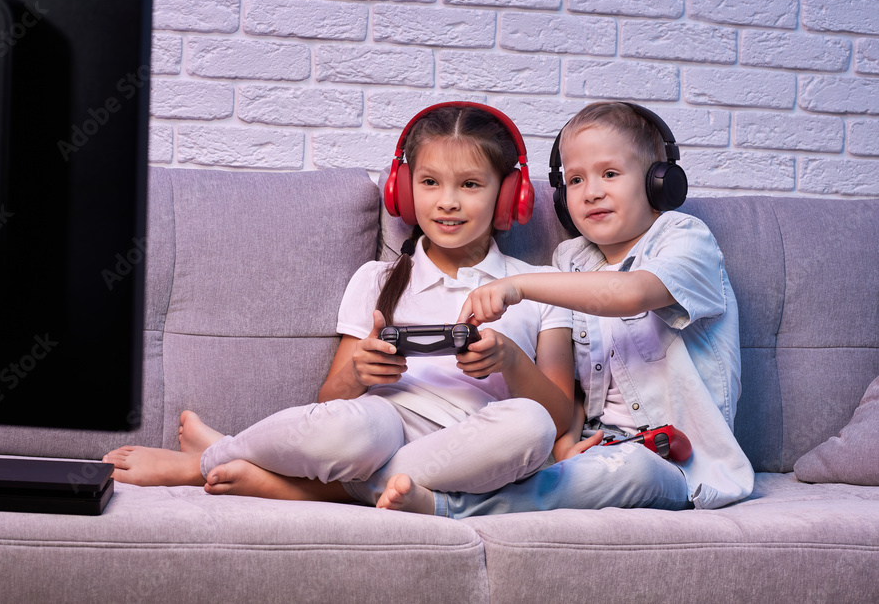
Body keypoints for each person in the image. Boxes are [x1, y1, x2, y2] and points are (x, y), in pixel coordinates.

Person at [103, 103, 575, 505]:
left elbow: (555, 419)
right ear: (405, 189)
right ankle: (217, 459)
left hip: (476, 444)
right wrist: (360, 373)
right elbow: (330, 401)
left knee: (529, 424)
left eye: (470, 185)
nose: (447, 202)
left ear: (510, 195)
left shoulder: (543, 285)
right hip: (385, 424)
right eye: (430, 183)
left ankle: (241, 467)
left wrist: (510, 360)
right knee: (358, 428)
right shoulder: (378, 279)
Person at [376, 101, 755, 517]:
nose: (591, 191)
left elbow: (630, 293)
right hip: (597, 445)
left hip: (681, 464)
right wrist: (564, 446)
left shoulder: (685, 239)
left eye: (610, 174)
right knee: (536, 456)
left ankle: (445, 505)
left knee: (632, 470)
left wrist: (518, 286)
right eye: (575, 180)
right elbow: (572, 385)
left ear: (658, 184)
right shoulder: (570, 259)